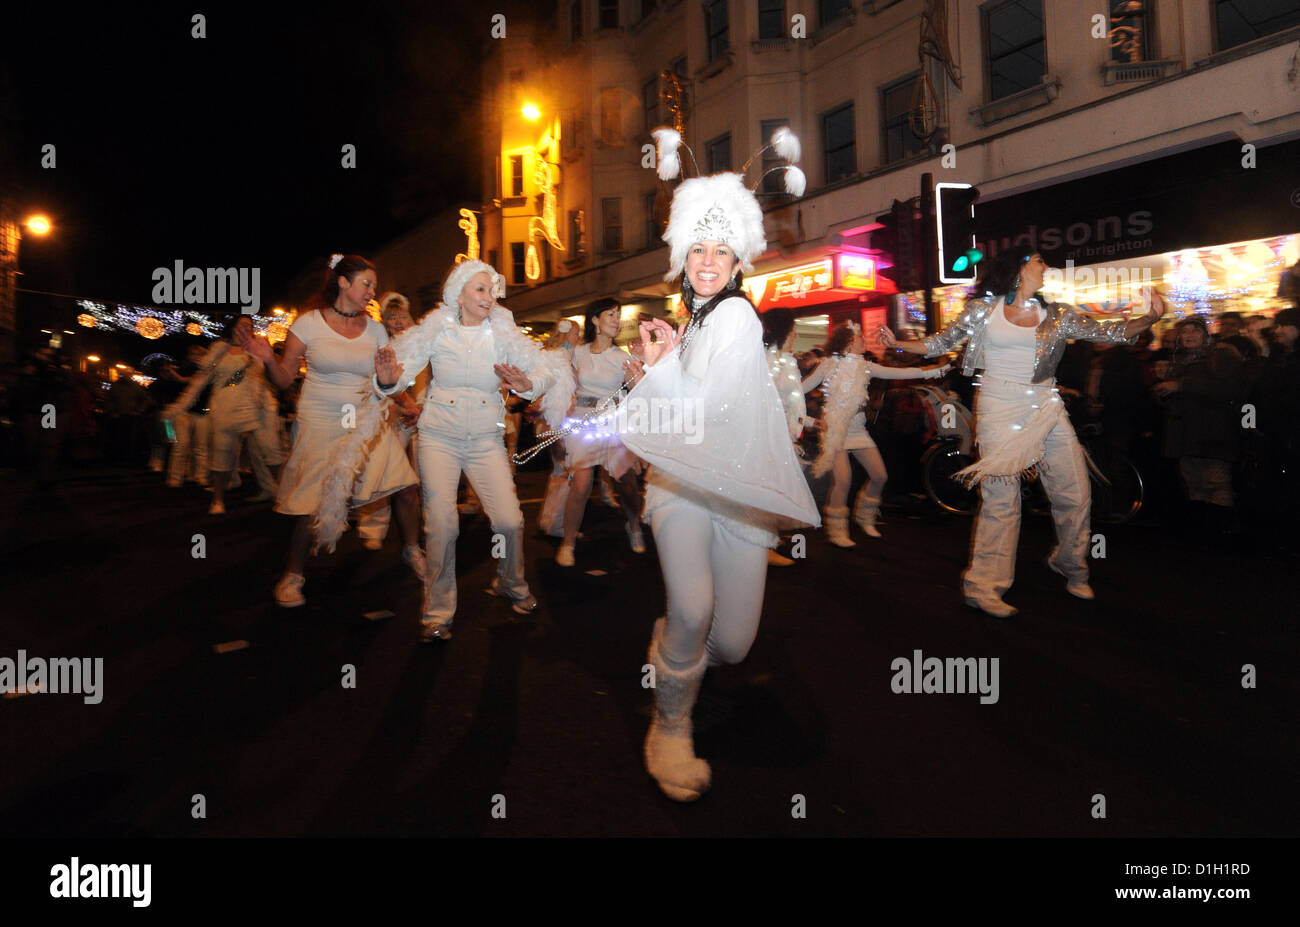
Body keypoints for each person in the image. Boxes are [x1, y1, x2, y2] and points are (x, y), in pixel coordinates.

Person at [617, 127, 820, 801]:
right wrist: (666, 361)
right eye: (697, 249)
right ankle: (669, 725)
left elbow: (704, 407)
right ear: (683, 255)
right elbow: (686, 415)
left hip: (734, 492)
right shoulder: (698, 320)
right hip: (681, 485)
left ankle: (675, 651)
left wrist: (660, 371)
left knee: (731, 642)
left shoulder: (734, 317)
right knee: (695, 605)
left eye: (720, 249)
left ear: (738, 259)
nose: (708, 259)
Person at [883, 246, 1166, 617]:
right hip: (999, 407)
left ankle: (1070, 564)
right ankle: (983, 586)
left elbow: (1112, 332)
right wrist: (897, 344)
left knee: (1074, 492)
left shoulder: (1057, 314)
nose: (1046, 266)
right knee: (1001, 500)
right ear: (1018, 268)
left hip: (1046, 406)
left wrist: (1150, 318)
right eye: (1038, 261)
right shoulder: (983, 310)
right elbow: (940, 342)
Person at [359, 260, 574, 641]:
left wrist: (528, 384)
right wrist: (387, 380)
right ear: (457, 293)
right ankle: (437, 612)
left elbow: (547, 370)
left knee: (509, 520)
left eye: (492, 290)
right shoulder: (436, 329)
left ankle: (510, 582)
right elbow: (399, 374)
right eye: (479, 289)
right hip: (439, 437)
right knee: (443, 523)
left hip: (485, 440)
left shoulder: (504, 330)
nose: (489, 297)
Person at [239, 254, 423, 607]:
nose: (372, 290)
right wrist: (266, 360)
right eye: (366, 283)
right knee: (311, 501)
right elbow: (283, 379)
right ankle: (293, 574)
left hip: (366, 418)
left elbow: (385, 377)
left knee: (407, 487)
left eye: (373, 284)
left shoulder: (376, 330)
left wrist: (407, 402)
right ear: (342, 282)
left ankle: (412, 549)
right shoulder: (308, 324)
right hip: (321, 418)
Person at [803, 321, 949, 545]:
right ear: (850, 342)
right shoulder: (827, 364)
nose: (864, 341)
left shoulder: (865, 366)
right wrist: (795, 409)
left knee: (880, 475)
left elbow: (897, 373)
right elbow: (801, 388)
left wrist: (936, 370)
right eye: (860, 337)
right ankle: (836, 529)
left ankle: (864, 515)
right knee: (843, 480)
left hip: (857, 428)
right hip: (834, 429)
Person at [556, 298, 645, 566]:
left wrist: (640, 365)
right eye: (611, 315)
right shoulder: (578, 352)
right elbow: (564, 385)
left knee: (626, 484)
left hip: (612, 423)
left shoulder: (623, 357)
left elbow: (639, 391)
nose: (617, 320)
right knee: (581, 486)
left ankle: (634, 525)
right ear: (594, 320)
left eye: (618, 315)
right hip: (581, 423)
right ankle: (568, 542)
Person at [165, 316, 285, 515]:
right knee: (222, 455)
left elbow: (271, 375)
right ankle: (217, 500)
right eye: (242, 324)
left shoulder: (257, 349)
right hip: (225, 408)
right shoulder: (218, 351)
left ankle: (283, 495)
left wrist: (260, 354)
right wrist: (180, 406)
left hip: (256, 407)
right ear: (232, 328)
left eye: (250, 325)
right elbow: (200, 381)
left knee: (271, 453)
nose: (247, 327)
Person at [1153, 315, 1246, 539]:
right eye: (1184, 332)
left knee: (1216, 482)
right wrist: (1163, 393)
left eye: (1195, 331)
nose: (1189, 336)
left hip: (1213, 432)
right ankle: (1202, 531)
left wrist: (1181, 385)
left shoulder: (1220, 356)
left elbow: (1228, 390)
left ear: (1205, 335)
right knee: (1194, 483)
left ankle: (1222, 532)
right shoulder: (1180, 360)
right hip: (1186, 434)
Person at [356, 292, 426, 550]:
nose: (397, 322)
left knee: (424, 472)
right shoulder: (380, 345)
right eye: (391, 318)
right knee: (382, 469)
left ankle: (426, 523)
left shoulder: (422, 342)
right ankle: (373, 527)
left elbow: (427, 377)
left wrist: (420, 406)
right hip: (388, 411)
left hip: (418, 412)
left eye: (401, 317)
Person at [762, 307, 813, 566]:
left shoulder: (788, 360)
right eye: (792, 328)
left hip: (784, 437)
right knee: (770, 491)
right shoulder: (763, 360)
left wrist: (808, 424)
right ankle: (763, 548)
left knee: (777, 491)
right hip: (768, 437)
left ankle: (768, 538)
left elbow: (795, 403)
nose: (796, 334)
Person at [536, 319, 580, 538]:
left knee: (559, 472)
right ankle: (557, 523)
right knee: (565, 472)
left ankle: (549, 520)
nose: (578, 337)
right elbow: (563, 396)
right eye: (575, 333)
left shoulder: (556, 355)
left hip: (555, 422)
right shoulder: (562, 358)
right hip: (561, 422)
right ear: (565, 335)